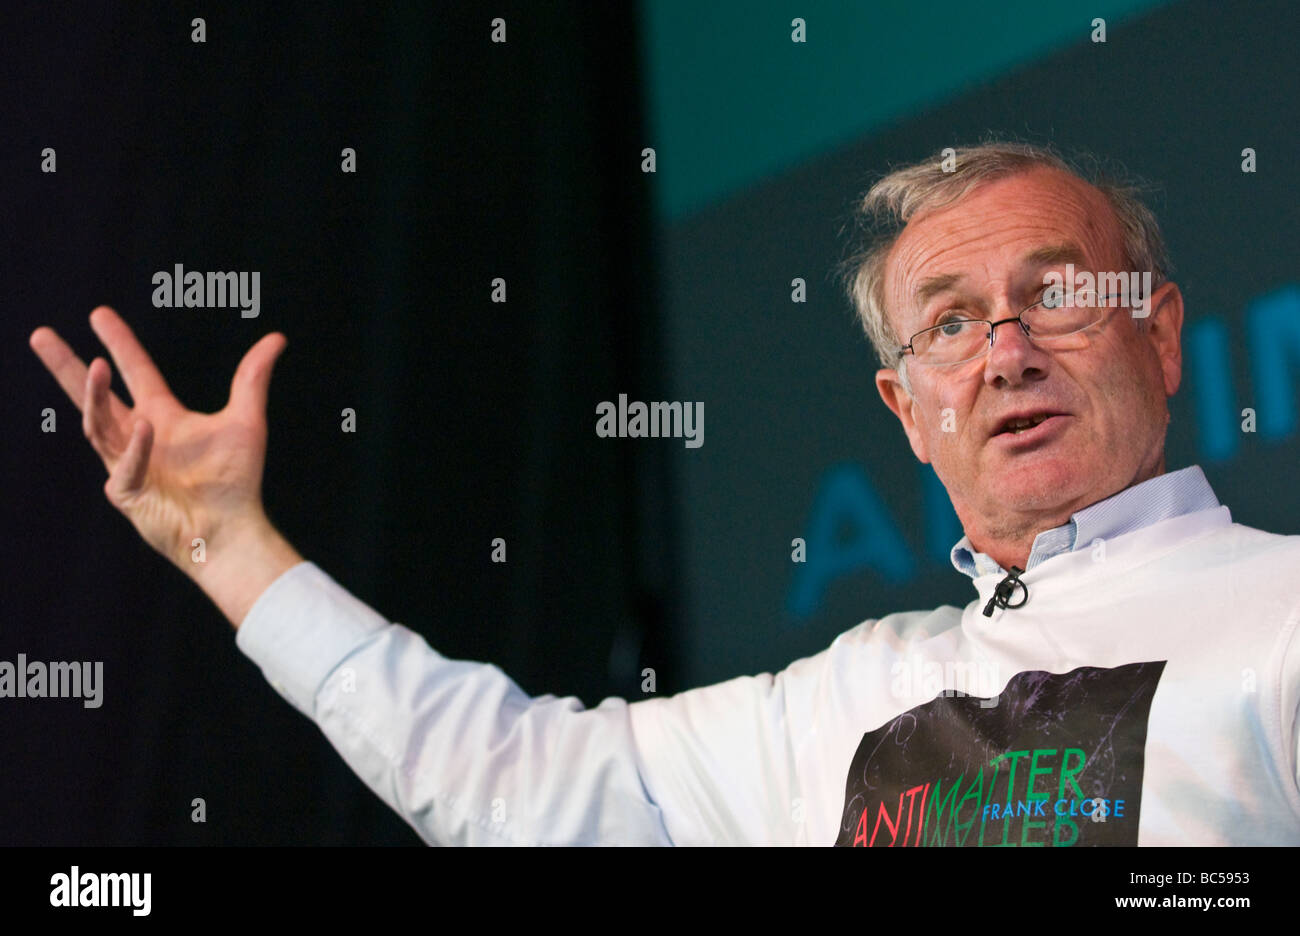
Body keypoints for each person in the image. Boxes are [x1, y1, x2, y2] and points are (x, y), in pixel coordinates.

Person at [28, 142, 1300, 846]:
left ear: (1163, 335)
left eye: (1056, 295)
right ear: (906, 414)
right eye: (950, 324)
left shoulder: (1281, 617)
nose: (1006, 349)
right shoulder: (841, 703)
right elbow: (507, 779)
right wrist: (225, 544)